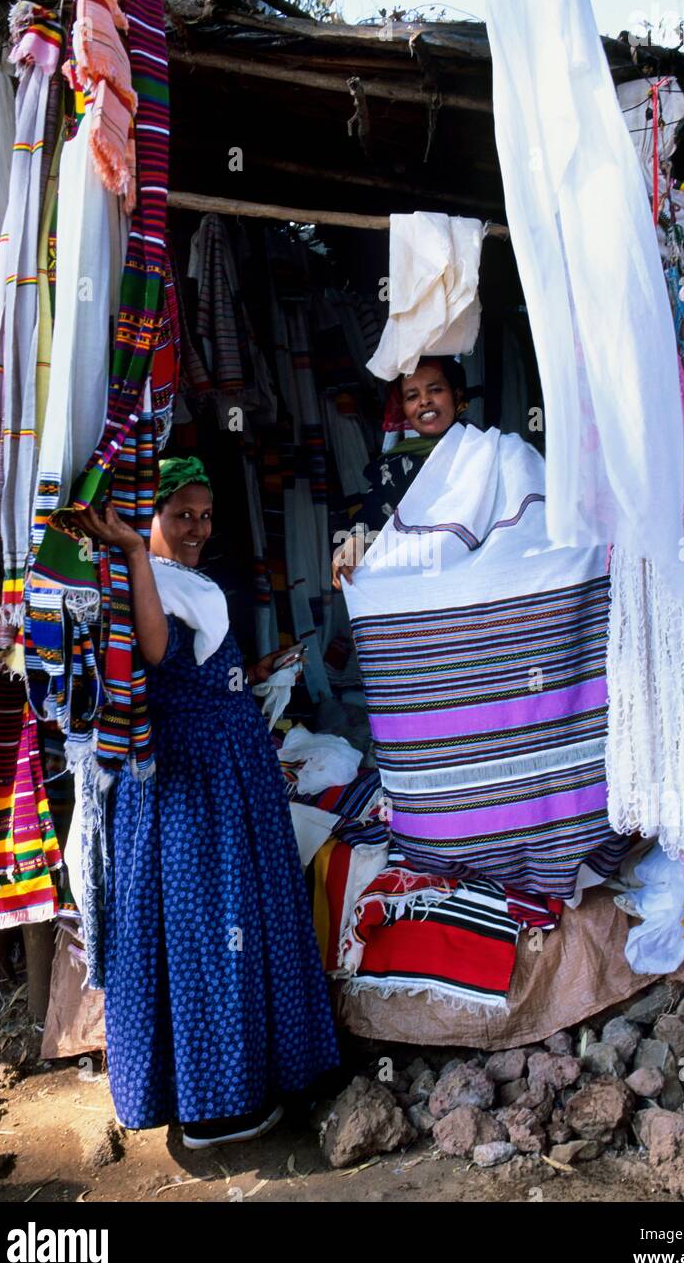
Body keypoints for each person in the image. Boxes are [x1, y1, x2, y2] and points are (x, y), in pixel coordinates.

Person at [76, 456, 340, 1148]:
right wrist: (135, 549)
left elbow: (190, 668)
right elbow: (160, 655)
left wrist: (250, 673)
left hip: (223, 764)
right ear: (151, 513)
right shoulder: (144, 575)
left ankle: (237, 1089)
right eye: (181, 513)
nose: (197, 528)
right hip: (195, 780)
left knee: (228, 918)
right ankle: (217, 1107)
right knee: (208, 927)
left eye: (205, 514)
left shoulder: (176, 577)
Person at [332, 356, 466, 587]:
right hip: (426, 587)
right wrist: (355, 542)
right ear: (403, 408)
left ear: (457, 395)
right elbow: (373, 513)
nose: (424, 401)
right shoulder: (394, 466)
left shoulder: (489, 450)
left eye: (435, 390)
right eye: (412, 396)